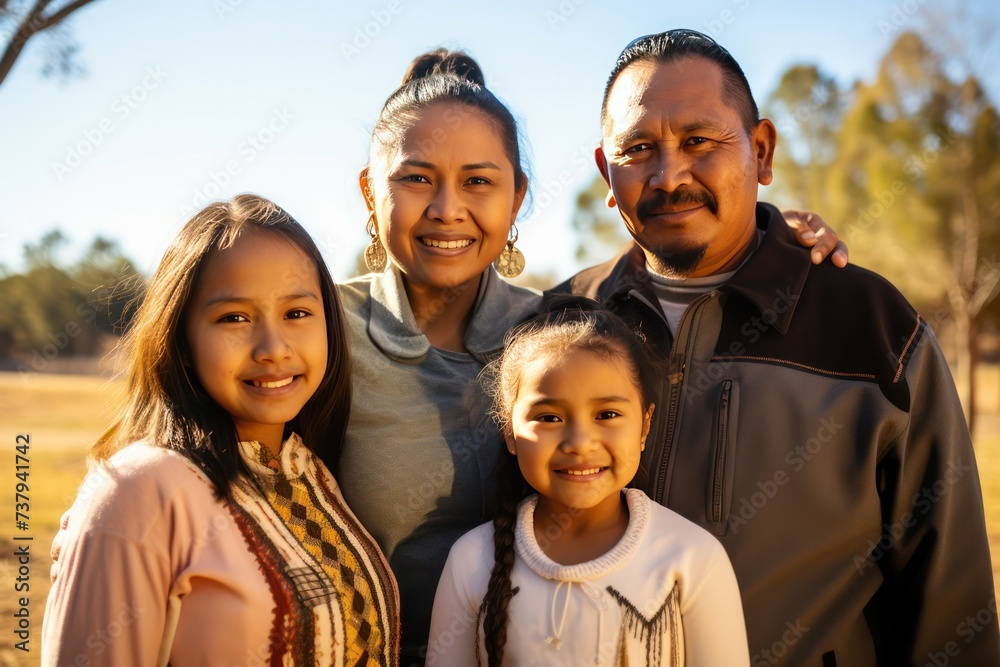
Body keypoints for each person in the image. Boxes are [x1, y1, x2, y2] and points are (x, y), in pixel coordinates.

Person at [48, 50, 844, 666]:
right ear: (370, 191)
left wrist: (776, 240)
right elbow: (202, 424)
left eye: (479, 181)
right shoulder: (317, 330)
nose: (447, 209)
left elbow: (682, 284)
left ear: (520, 192)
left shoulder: (560, 332)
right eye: (416, 179)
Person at [553, 29, 999, 665]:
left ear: (760, 152)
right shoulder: (563, 324)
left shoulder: (871, 327)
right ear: (606, 169)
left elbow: (947, 600)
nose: (669, 173)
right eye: (639, 148)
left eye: (699, 141)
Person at [42, 195, 400, 666]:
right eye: (234, 318)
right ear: (182, 341)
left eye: (296, 313)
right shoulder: (141, 489)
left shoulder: (313, 475)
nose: (274, 348)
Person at [427, 298, 750, 666]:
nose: (580, 442)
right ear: (510, 433)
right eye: (549, 417)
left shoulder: (691, 558)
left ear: (644, 425)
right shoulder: (471, 560)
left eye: (607, 414)